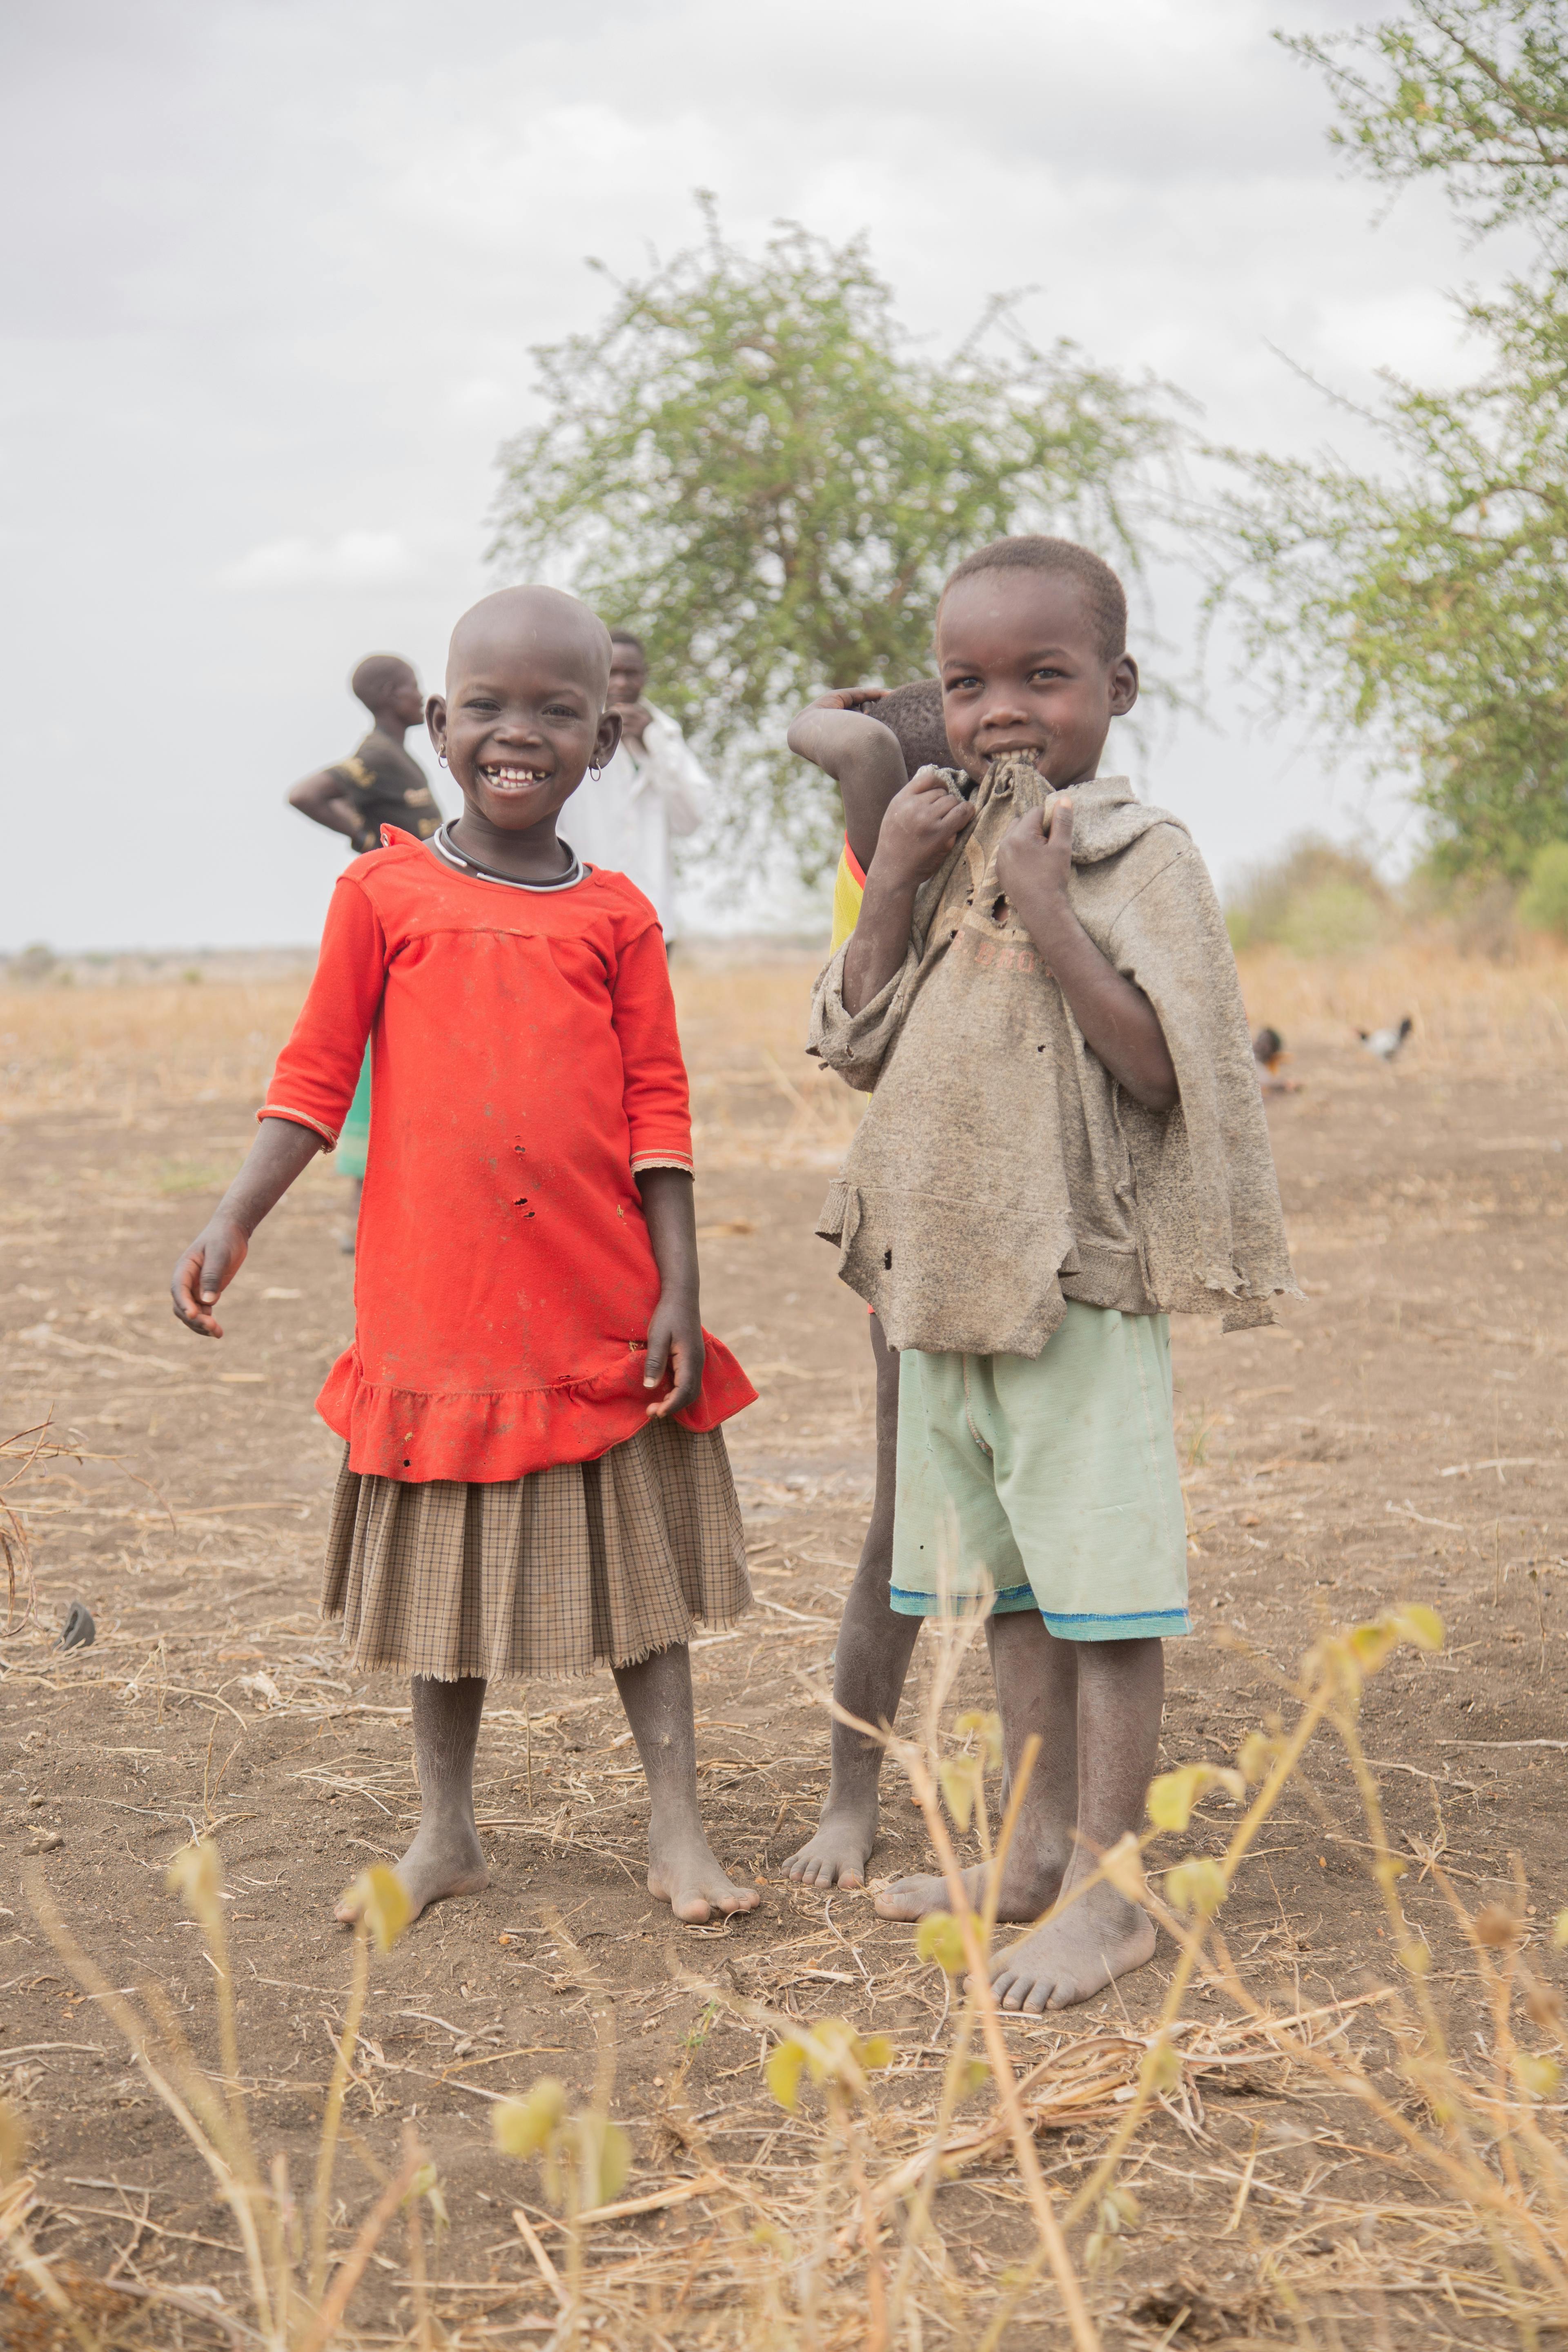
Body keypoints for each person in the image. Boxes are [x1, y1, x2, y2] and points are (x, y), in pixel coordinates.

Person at [172, 587, 760, 1929]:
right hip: (438, 1302)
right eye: (487, 707)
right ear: (440, 726)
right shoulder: (382, 890)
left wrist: (682, 1285)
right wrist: (237, 1214)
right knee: (445, 1585)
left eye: (558, 711)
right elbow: (316, 1078)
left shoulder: (618, 917)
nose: (519, 734)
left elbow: (658, 1110)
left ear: (603, 737)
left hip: (598, 1293)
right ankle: (445, 1832)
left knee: (640, 1576)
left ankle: (678, 1829)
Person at [808, 536, 1296, 2011]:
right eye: (967, 683)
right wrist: (891, 873)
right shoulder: (949, 848)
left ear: (1117, 686)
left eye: (1043, 674)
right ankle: (1024, 1858)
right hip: (951, 1281)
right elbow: (855, 1042)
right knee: (1014, 1593)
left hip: (1079, 1283)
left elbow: (1167, 1070)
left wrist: (1057, 905)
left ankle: (1111, 1887)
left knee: (1105, 1601)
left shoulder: (1142, 854)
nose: (1001, 708)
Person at [780, 679, 953, 1891]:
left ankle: (857, 1802)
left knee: (933, 1542)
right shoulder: (890, 859)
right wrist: (862, 730)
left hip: (1016, 1249)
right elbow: (854, 752)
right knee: (902, 1534)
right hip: (922, 1253)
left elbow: (845, 740)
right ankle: (851, 1798)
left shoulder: (1057, 860)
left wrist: (836, 710)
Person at [286, 656, 443, 1246]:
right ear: (384, 695)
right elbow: (306, 794)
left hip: (424, 911)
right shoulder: (376, 756)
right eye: (409, 687)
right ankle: (361, 1210)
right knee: (387, 1054)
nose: (419, 695)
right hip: (404, 915)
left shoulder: (400, 756)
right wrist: (365, 842)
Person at [562, 630, 711, 940]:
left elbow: (692, 819)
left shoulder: (665, 734)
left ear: (644, 677)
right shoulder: (571, 735)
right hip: (582, 914)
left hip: (651, 917)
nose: (621, 683)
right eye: (612, 673)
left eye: (631, 673)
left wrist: (653, 741)